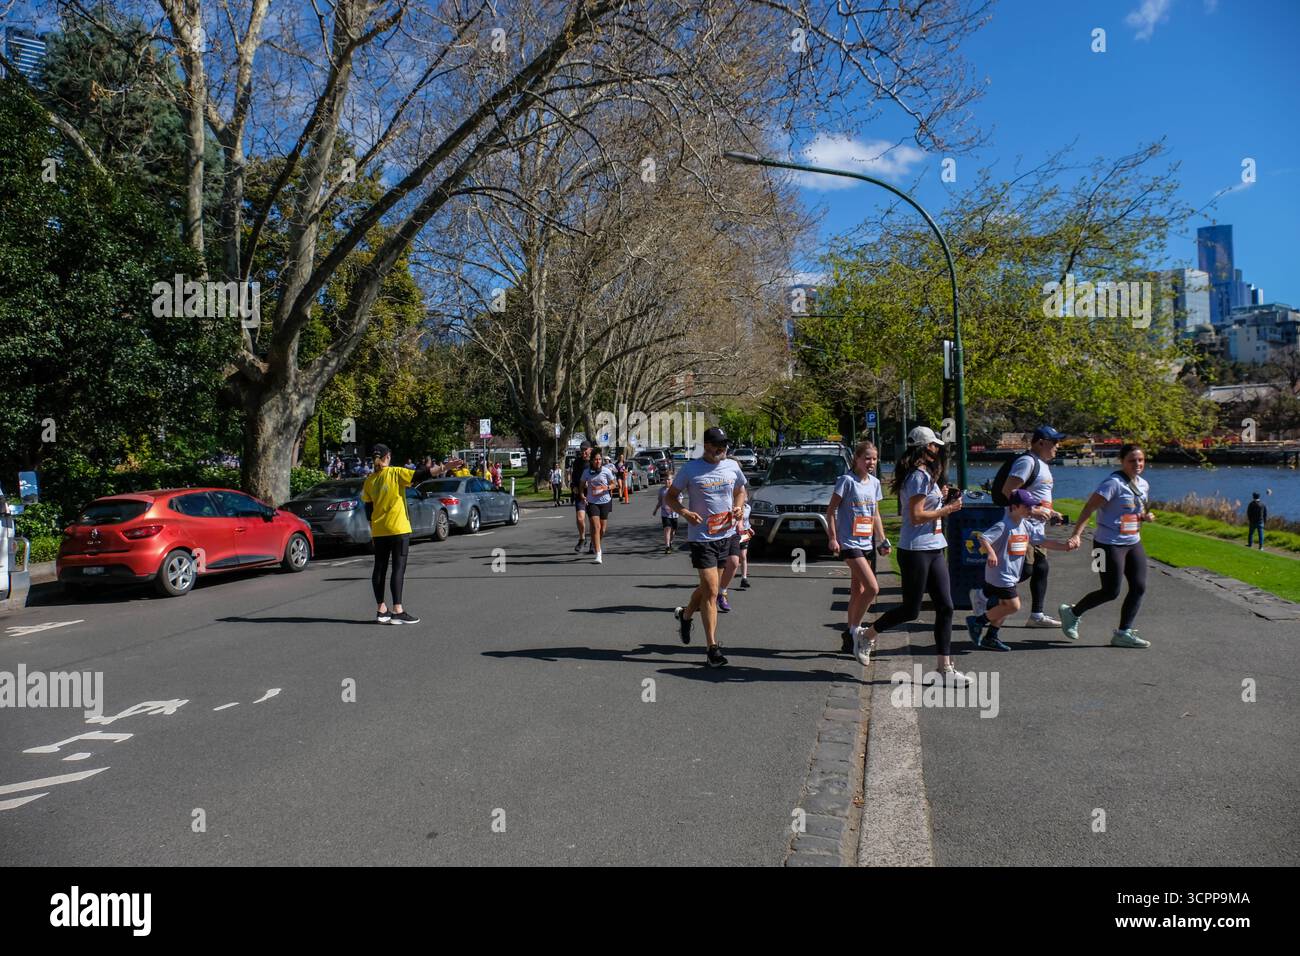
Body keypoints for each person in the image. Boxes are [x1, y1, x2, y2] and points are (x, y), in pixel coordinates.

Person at [857, 427, 971, 684]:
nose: (938, 449)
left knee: (946, 606)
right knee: (911, 610)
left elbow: (924, 508)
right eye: (934, 445)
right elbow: (916, 516)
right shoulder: (918, 476)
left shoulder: (927, 475)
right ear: (924, 448)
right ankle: (867, 635)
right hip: (915, 550)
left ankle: (944, 668)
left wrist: (941, 500)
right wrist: (948, 509)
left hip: (934, 547)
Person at [1059, 443, 1155, 648]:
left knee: (1139, 587)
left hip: (1133, 542)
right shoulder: (1112, 484)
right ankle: (1072, 612)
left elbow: (1131, 510)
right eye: (1132, 460)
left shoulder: (1143, 484)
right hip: (1107, 544)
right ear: (1122, 462)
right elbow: (1088, 509)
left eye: (1141, 460)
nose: (1137, 464)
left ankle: (1123, 632)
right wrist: (1076, 534)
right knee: (1110, 591)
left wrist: (1144, 516)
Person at [665, 427, 747, 668]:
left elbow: (741, 490)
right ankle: (712, 648)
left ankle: (686, 615)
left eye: (724, 445)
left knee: (709, 588)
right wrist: (684, 512)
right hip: (702, 538)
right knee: (712, 591)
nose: (722, 449)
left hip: (727, 534)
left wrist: (739, 507)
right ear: (706, 445)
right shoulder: (690, 469)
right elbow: (670, 497)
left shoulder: (732, 466)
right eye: (717, 445)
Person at [362, 444, 463, 625]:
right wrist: (445, 468)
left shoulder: (369, 480)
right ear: (388, 456)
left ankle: (381, 609)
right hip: (398, 528)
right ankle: (398, 610)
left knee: (379, 569)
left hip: (379, 530)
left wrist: (373, 531)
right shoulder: (395, 473)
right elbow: (422, 474)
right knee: (398, 568)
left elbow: (368, 510)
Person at [966, 489, 1078, 651]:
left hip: (1011, 574)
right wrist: (990, 553)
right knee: (1013, 606)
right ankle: (977, 622)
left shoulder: (1024, 525)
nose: (1031, 510)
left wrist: (1064, 547)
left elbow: (1041, 541)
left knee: (1003, 607)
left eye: (1032, 506)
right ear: (1014, 506)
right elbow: (984, 538)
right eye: (1027, 506)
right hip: (1000, 574)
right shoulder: (1004, 525)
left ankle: (991, 637)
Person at [995, 425, 1066, 628]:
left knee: (1041, 567)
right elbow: (1009, 490)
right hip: (1021, 525)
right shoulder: (1027, 462)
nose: (1058, 446)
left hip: (1036, 526)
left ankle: (1036, 615)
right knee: (1024, 570)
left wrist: (1051, 513)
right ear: (1041, 442)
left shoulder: (1042, 464)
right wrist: (1033, 511)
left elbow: (1038, 496)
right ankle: (983, 594)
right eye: (1055, 442)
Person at [827, 440, 889, 656]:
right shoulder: (846, 481)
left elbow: (875, 514)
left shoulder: (874, 483)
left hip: (867, 543)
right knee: (873, 588)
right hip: (849, 543)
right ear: (857, 459)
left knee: (858, 590)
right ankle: (856, 632)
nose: (871, 462)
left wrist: (882, 539)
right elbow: (831, 511)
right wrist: (833, 538)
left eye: (874, 458)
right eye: (867, 458)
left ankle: (848, 634)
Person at [715, 500, 752, 611]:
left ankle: (721, 593)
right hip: (714, 534)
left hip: (732, 534)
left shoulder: (737, 490)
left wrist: (740, 524)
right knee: (712, 575)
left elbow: (740, 511)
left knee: (734, 562)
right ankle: (693, 608)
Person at [581, 450, 617, 564]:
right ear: (592, 461)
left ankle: (595, 543)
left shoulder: (606, 471)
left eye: (600, 459)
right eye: (596, 459)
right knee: (596, 527)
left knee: (602, 529)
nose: (598, 461)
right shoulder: (586, 472)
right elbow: (581, 485)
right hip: (592, 502)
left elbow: (613, 484)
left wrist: (605, 488)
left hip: (605, 501)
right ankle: (598, 553)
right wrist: (582, 495)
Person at [570, 441, 593, 553]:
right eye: (582, 449)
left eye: (585, 449)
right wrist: (573, 486)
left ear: (590, 450)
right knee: (580, 518)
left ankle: (594, 541)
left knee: (593, 520)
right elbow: (574, 477)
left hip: (593, 494)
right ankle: (582, 538)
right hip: (580, 493)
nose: (583, 452)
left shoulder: (595, 462)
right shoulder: (577, 462)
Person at [652, 470, 679, 553]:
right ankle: (667, 546)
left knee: (673, 530)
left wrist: (676, 508)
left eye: (669, 479)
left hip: (674, 514)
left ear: (673, 480)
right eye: (666, 479)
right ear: (664, 480)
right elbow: (660, 501)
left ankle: (670, 542)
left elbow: (680, 499)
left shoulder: (676, 490)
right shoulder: (662, 490)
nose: (668, 481)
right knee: (667, 529)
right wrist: (656, 510)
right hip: (665, 514)